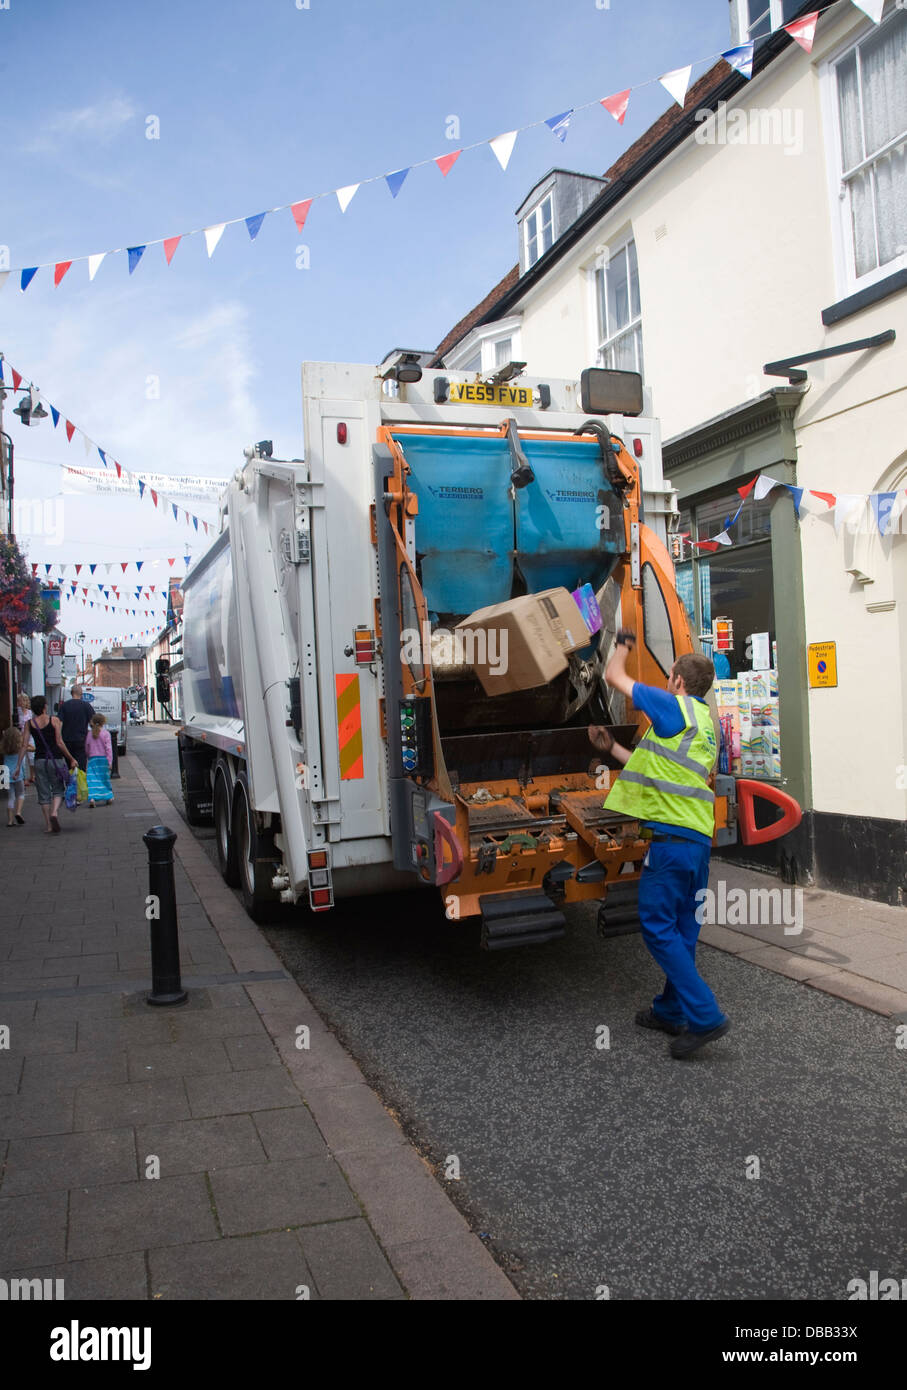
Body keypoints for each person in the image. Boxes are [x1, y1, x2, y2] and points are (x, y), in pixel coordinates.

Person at [589, 631, 728, 1060]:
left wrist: (624, 642)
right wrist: (610, 747)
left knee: (655, 924)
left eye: (669, 677)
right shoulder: (703, 723)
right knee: (684, 927)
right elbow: (651, 764)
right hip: (697, 841)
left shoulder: (672, 707)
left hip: (669, 843)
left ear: (677, 680)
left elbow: (613, 674)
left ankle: (704, 1016)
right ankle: (670, 1010)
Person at [17, 695, 77, 834]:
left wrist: (18, 766)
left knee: (43, 794)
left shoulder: (29, 723)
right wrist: (71, 758)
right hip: (56, 759)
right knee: (58, 790)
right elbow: (59, 742)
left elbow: (24, 745)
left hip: (39, 761)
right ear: (44, 706)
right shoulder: (54, 720)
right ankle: (54, 813)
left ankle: (48, 826)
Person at [58, 684, 93, 772]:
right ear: (81, 693)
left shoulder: (64, 706)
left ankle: (71, 783)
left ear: (71, 693)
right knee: (81, 767)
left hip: (67, 740)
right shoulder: (86, 706)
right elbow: (93, 723)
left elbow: (59, 723)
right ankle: (80, 783)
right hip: (81, 740)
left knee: (69, 765)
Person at [85, 712, 114, 807]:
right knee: (104, 779)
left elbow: (87, 747)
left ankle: (92, 797)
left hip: (93, 760)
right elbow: (108, 749)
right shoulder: (106, 734)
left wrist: (88, 757)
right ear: (103, 722)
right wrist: (110, 761)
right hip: (103, 760)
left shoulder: (89, 734)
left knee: (92, 779)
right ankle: (108, 796)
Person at [2, 726, 26, 827]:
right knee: (20, 794)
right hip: (17, 773)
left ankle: (10, 821)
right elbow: (32, 749)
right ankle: (18, 812)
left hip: (4, 772)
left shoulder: (3, 747)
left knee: (10, 797)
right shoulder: (20, 747)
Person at [16, 693, 35, 785]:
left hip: (29, 736)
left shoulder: (29, 712)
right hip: (20, 737)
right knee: (22, 758)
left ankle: (32, 776)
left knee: (31, 757)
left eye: (23, 700)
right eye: (20, 700)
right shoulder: (17, 712)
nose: (21, 702)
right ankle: (23, 778)